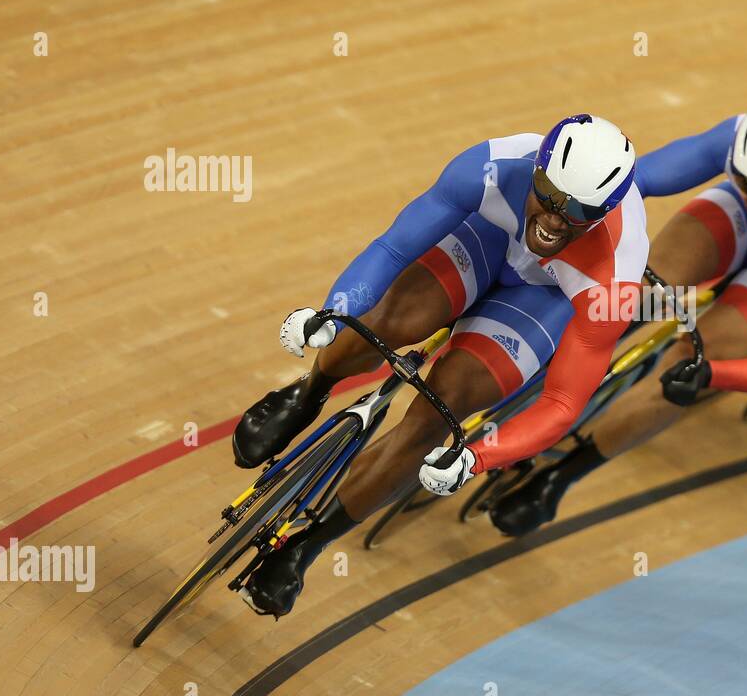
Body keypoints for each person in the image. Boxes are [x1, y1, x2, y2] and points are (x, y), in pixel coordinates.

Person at [231, 114, 647, 617]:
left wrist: (476, 458)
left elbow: (562, 402)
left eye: (580, 211)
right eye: (550, 195)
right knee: (393, 319)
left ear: (605, 212)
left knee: (442, 411)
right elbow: (392, 247)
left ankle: (307, 545)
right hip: (490, 240)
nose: (558, 218)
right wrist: (331, 313)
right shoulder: (493, 166)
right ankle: (309, 392)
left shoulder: (614, 279)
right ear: (536, 169)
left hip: (547, 296)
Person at [488, 99, 747, 536]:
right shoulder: (746, 144)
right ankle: (529, 386)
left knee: (689, 361)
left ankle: (561, 476)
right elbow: (637, 182)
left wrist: (712, 374)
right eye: (745, 181)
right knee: (634, 295)